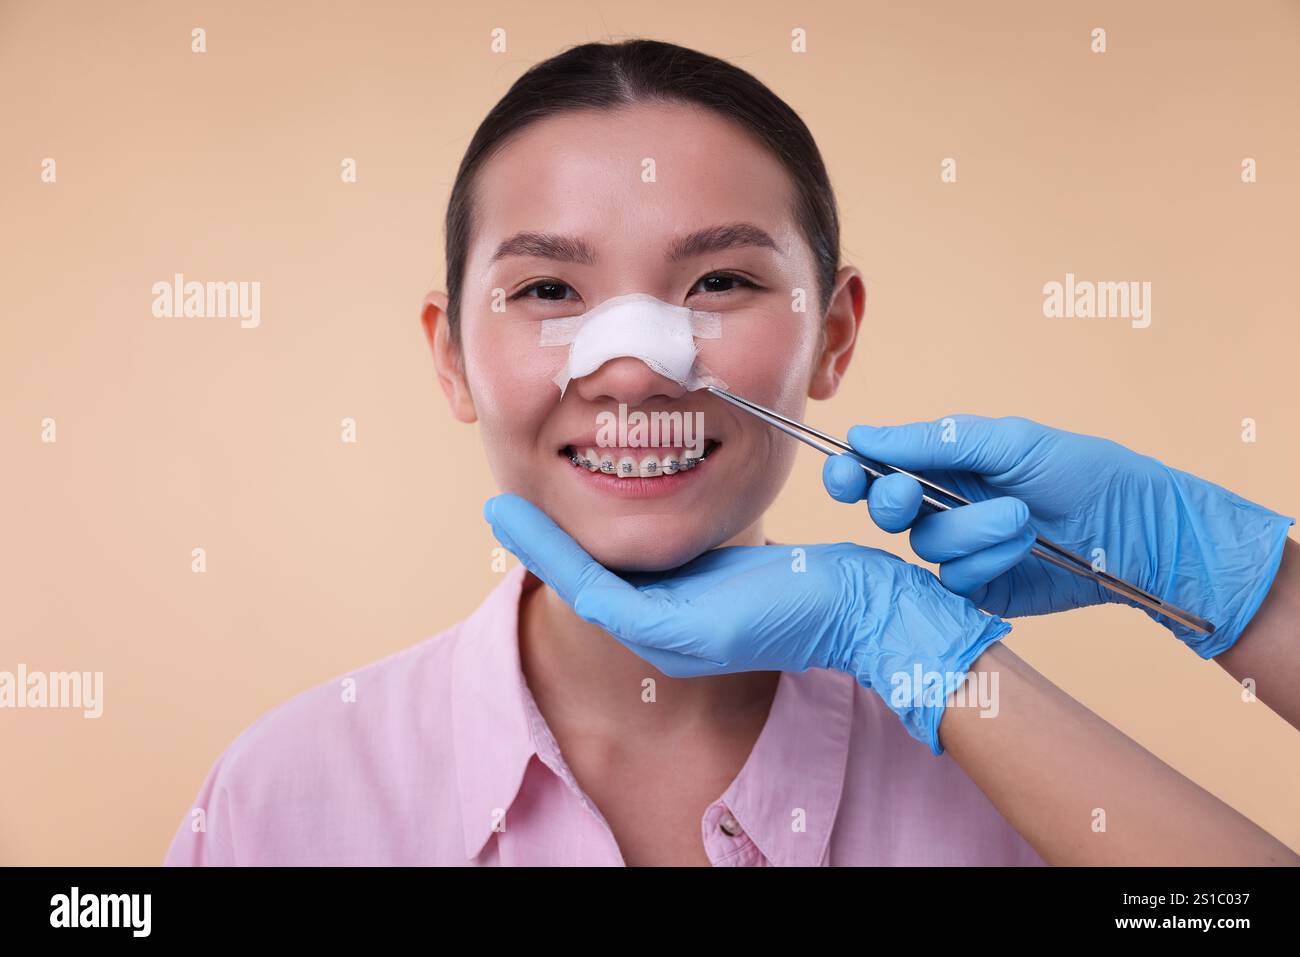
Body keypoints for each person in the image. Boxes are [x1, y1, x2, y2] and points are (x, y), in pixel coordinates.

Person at [164, 38, 1297, 867]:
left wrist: (1225, 577)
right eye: (548, 289)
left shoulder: (1026, 793)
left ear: (832, 332)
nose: (635, 366)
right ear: (450, 353)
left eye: (718, 283)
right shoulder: (286, 798)